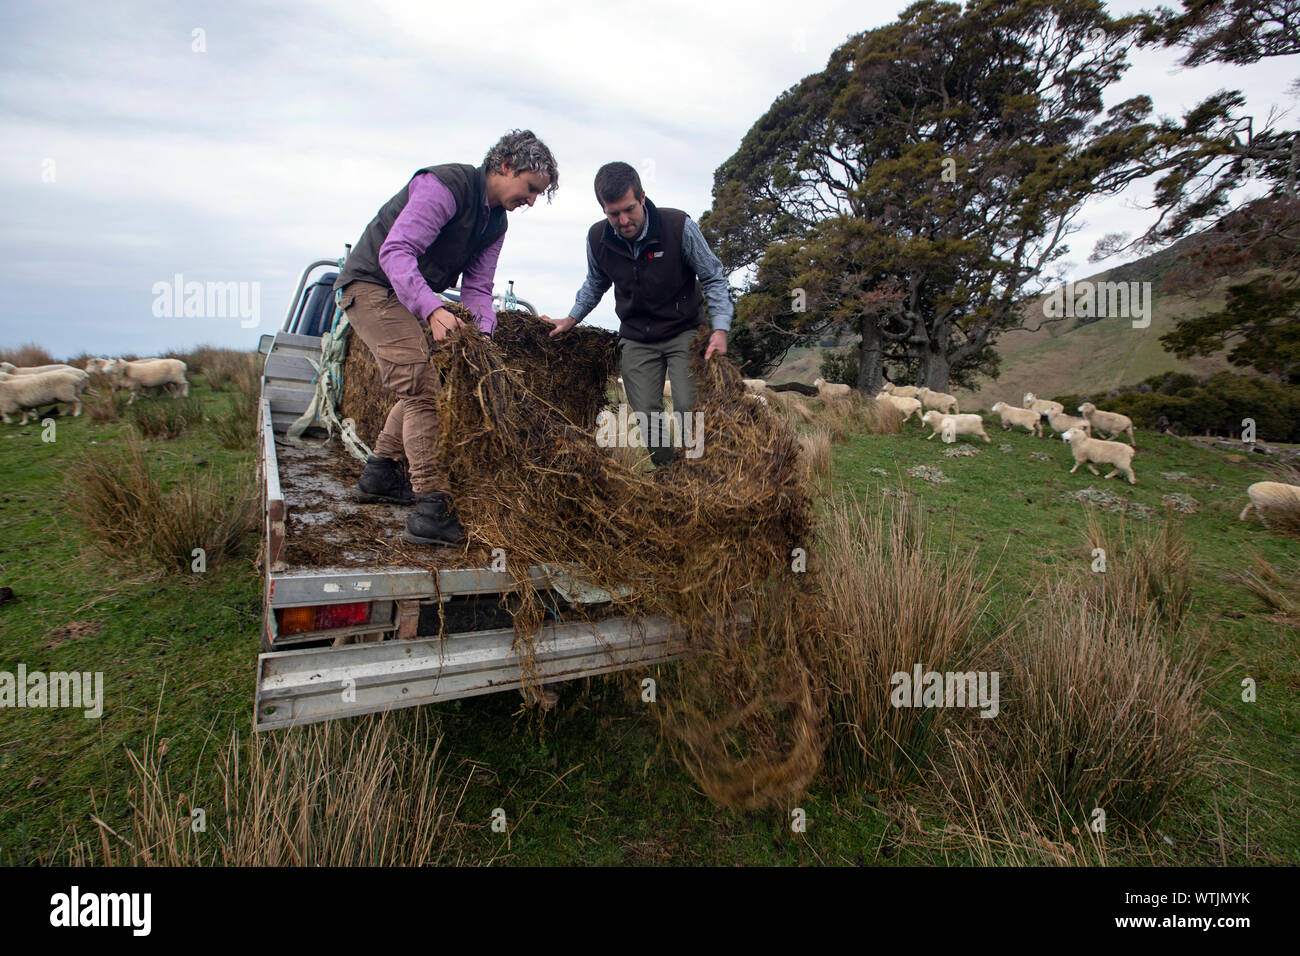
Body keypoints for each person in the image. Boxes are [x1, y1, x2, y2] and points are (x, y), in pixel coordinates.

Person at [334, 130, 558, 545]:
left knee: (426, 384)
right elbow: (396, 253)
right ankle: (430, 509)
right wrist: (433, 308)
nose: (530, 201)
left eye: (537, 195)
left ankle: (380, 473)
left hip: (403, 295)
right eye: (530, 189)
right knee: (422, 390)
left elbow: (477, 288)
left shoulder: (495, 222)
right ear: (506, 166)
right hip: (370, 285)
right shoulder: (444, 186)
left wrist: (484, 338)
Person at [542, 162, 733, 466]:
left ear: (642, 197)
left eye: (629, 209)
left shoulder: (678, 227)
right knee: (646, 414)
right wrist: (571, 318)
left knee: (688, 407)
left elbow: (712, 277)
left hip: (684, 329)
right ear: (603, 209)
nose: (623, 220)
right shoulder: (597, 239)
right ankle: (669, 475)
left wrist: (720, 328)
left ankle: (698, 471)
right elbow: (595, 283)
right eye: (613, 213)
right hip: (636, 336)